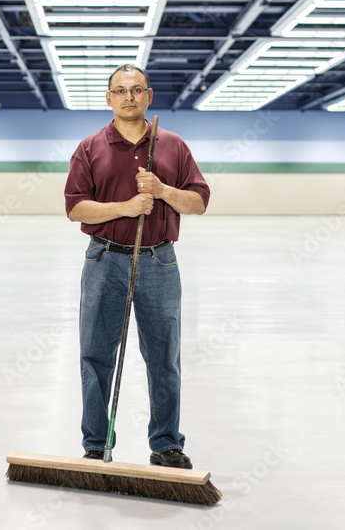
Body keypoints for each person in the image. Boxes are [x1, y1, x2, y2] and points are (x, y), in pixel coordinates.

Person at [63, 63, 210, 469]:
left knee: (164, 356)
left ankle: (165, 443)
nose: (129, 96)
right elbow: (75, 208)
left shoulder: (173, 146)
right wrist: (125, 207)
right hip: (104, 259)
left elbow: (198, 202)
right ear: (108, 99)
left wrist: (163, 191)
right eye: (120, 90)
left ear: (149, 96)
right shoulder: (90, 147)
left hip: (158, 260)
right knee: (95, 354)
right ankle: (96, 442)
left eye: (137, 89)